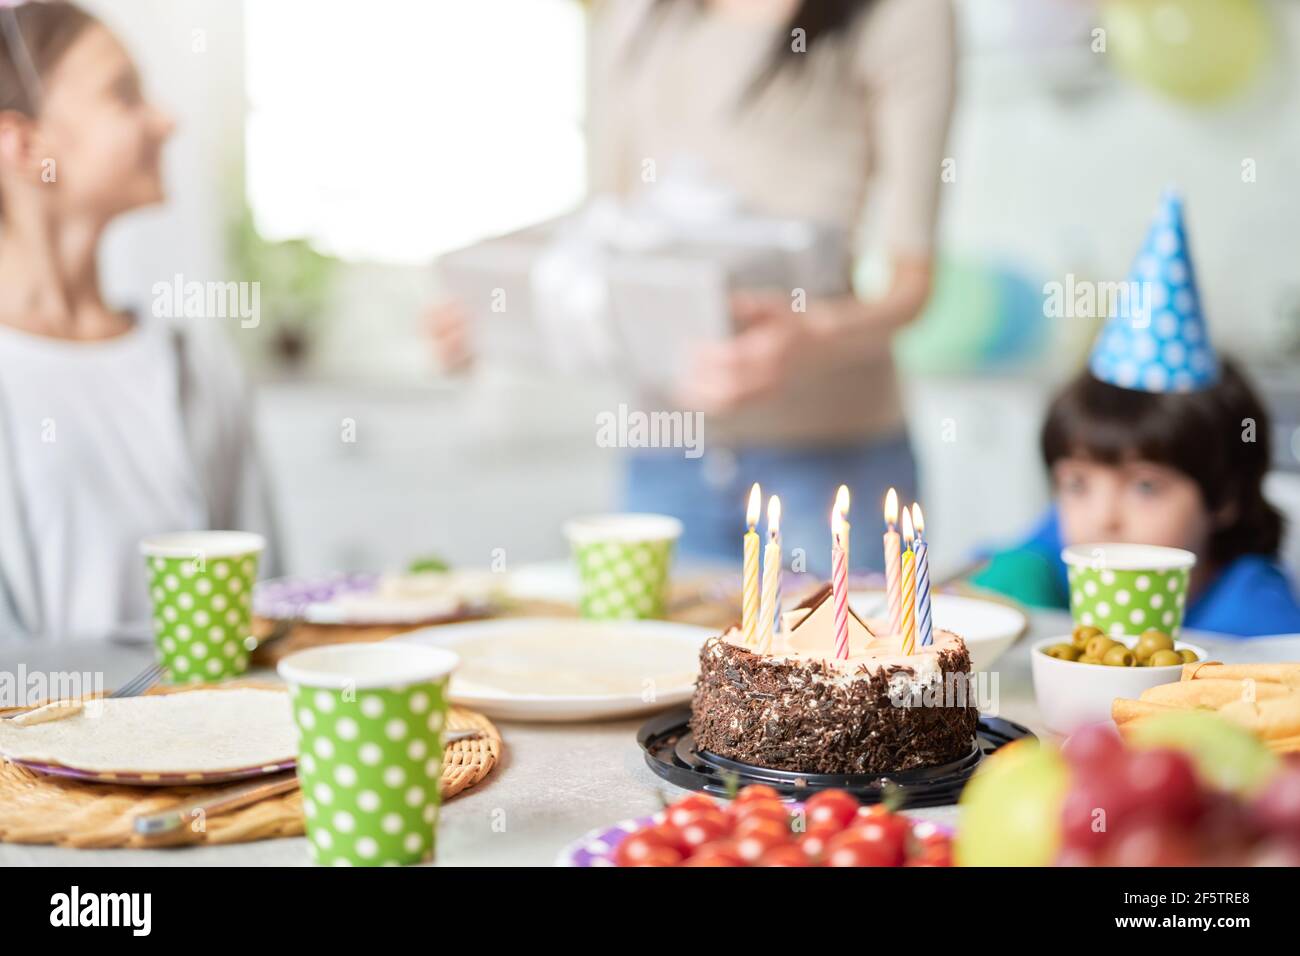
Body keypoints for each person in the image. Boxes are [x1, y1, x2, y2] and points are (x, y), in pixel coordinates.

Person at [430, 0, 956, 574]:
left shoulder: (906, 13)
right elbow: (604, 228)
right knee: (660, 661)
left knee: (849, 662)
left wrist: (812, 334)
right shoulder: (635, 16)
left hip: (832, 463)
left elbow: (913, 282)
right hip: (663, 456)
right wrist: (498, 304)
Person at [0, 1, 278, 641]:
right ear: (23, 143)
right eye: (124, 95)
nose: (167, 120)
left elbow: (268, 607)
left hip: (208, 736)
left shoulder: (197, 366)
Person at [971, 192, 1300, 638]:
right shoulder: (1069, 540)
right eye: (1076, 483)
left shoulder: (1261, 623)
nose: (1104, 518)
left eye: (1145, 486)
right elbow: (991, 578)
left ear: (1225, 498)